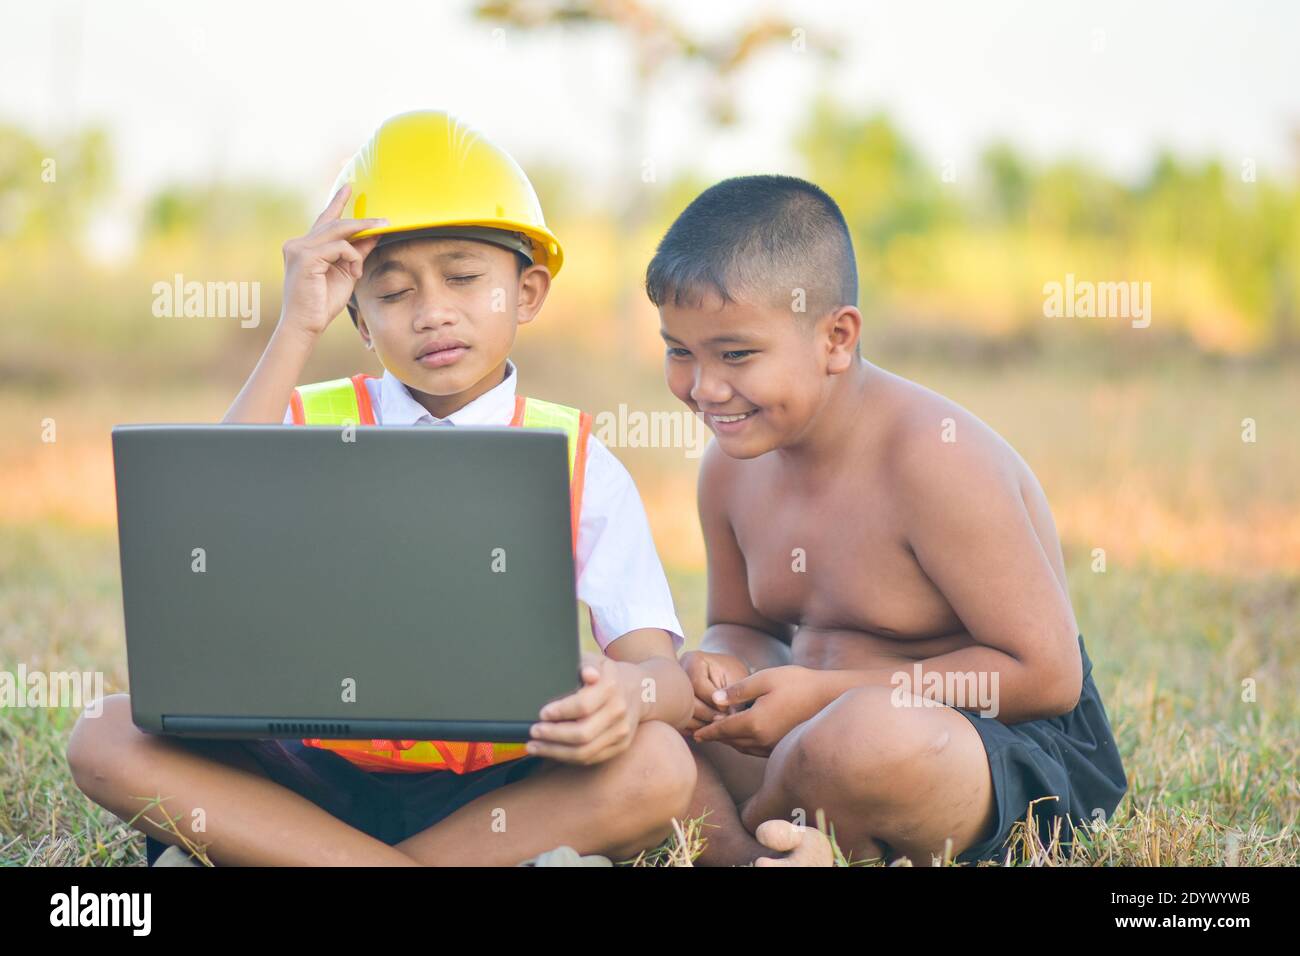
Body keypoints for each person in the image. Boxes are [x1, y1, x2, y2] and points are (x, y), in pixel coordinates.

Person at [68, 111, 697, 866]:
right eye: (392, 292)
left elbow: (668, 679)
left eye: (463, 278)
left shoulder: (582, 461)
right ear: (359, 320)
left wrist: (630, 696)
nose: (432, 312)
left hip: (496, 788)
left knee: (661, 766)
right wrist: (294, 329)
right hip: (304, 777)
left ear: (527, 292)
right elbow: (206, 528)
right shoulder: (306, 419)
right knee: (103, 736)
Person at [647, 174, 1127, 866]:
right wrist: (715, 670)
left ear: (836, 337)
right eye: (679, 350)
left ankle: (749, 831)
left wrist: (826, 695)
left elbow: (1048, 677)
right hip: (810, 738)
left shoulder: (934, 459)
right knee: (645, 705)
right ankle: (761, 849)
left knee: (862, 738)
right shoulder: (728, 465)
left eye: (737, 354)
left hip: (990, 750)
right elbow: (744, 626)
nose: (704, 387)